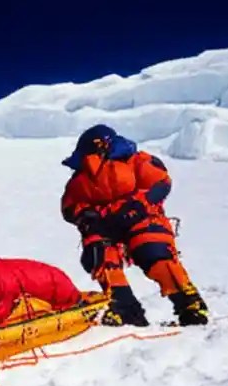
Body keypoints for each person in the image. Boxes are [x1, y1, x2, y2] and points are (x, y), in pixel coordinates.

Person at [60, 124, 209, 326]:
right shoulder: (81, 178)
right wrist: (86, 217)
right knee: (100, 256)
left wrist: (138, 204)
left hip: (143, 218)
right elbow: (70, 206)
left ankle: (190, 303)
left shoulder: (136, 160)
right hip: (105, 225)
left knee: (153, 251)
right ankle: (124, 308)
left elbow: (161, 183)